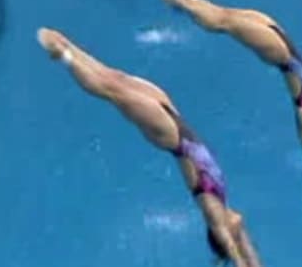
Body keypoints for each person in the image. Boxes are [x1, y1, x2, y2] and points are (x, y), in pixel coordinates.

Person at [37, 27, 262, 267]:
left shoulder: (212, 210)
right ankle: (68, 45)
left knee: (113, 92)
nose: (242, 227)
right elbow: (249, 253)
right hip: (175, 118)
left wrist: (238, 260)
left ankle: (64, 56)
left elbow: (232, 247)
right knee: (117, 79)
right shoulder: (225, 206)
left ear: (223, 236)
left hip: (171, 135)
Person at [159, 0, 302, 217]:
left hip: (280, 52)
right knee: (224, 14)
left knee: (223, 23)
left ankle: (177, 0)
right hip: (282, 37)